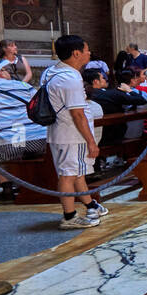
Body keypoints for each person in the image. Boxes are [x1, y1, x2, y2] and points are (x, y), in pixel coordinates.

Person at [39, 35, 106, 229]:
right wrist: (91, 142)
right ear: (76, 53)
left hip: (59, 132)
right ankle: (69, 217)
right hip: (71, 134)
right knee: (68, 175)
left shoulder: (52, 71)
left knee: (75, 173)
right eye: (86, 50)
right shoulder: (70, 79)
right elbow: (77, 114)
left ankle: (89, 204)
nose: (89, 53)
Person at [0, 59, 48, 200]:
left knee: (2, 159)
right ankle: (40, 184)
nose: (7, 72)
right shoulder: (24, 86)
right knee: (32, 151)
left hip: (7, 144)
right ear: (0, 73)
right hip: (39, 139)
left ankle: (7, 189)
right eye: (5, 70)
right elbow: (40, 106)